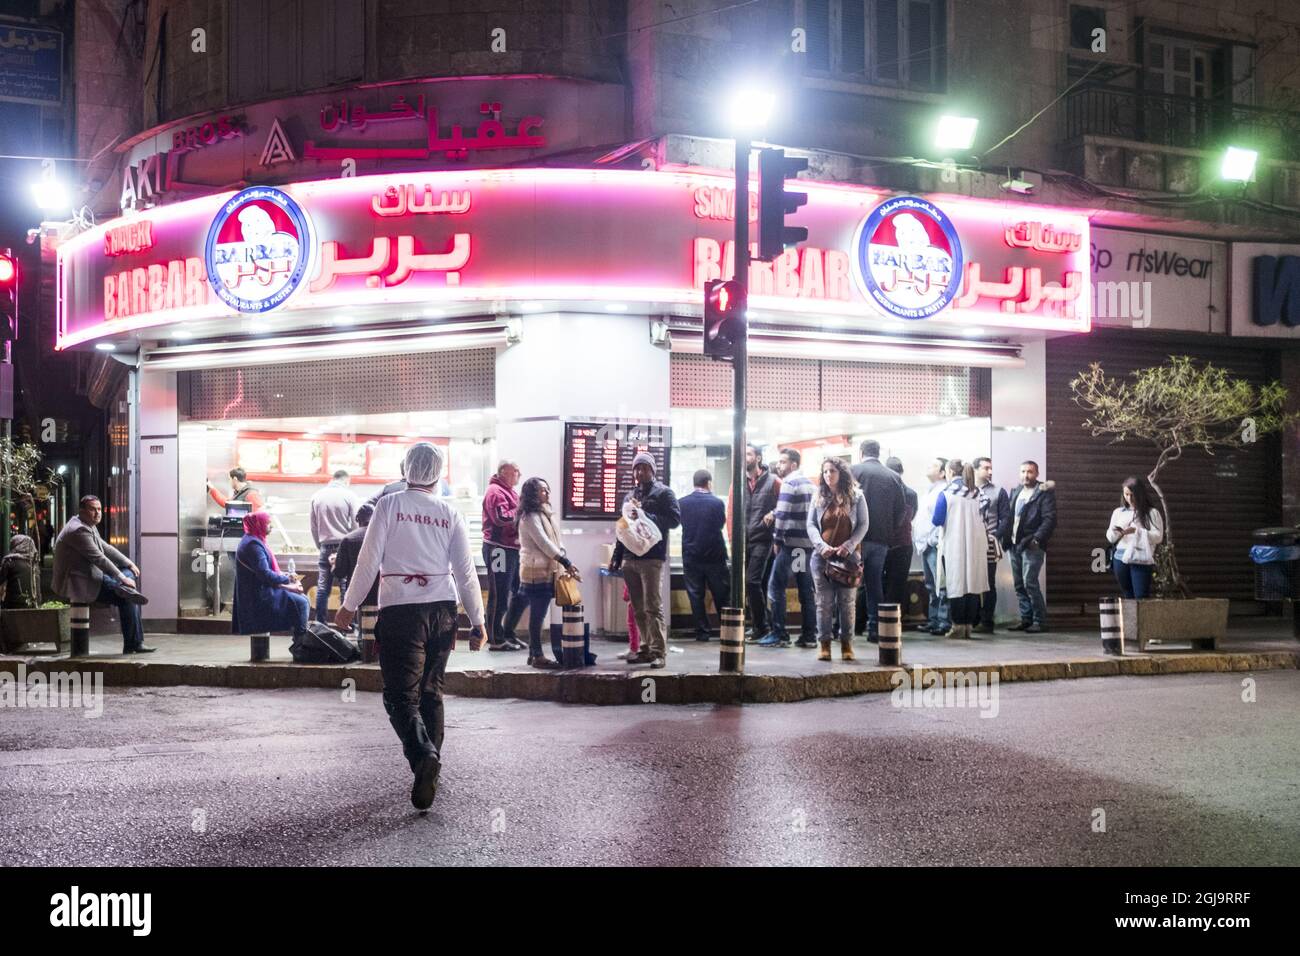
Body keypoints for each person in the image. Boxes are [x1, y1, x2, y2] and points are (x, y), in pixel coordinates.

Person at [334, 443, 487, 812]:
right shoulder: (450, 512)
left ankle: (423, 758)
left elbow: (368, 562)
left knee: (400, 697)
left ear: (406, 470)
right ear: (438, 473)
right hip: (443, 609)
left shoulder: (389, 505)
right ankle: (430, 764)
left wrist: (349, 606)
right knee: (432, 691)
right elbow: (466, 573)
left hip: (402, 610)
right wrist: (477, 622)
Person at [52, 495, 151, 654]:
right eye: (93, 509)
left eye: (99, 509)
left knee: (127, 581)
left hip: (89, 575)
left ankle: (126, 590)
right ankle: (133, 644)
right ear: (82, 511)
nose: (97, 513)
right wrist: (123, 577)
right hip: (79, 581)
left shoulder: (87, 524)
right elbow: (99, 558)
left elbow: (104, 547)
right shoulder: (78, 530)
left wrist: (128, 563)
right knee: (127, 597)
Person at [610, 452, 681, 669]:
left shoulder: (664, 493)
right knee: (637, 607)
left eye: (644, 467)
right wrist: (617, 556)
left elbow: (674, 520)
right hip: (630, 557)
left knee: (653, 606)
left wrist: (645, 514)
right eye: (636, 468)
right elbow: (623, 529)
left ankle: (659, 651)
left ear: (652, 470)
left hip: (652, 557)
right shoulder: (629, 496)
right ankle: (646, 648)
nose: (639, 472)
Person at [501, 477, 578, 669]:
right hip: (536, 572)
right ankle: (536, 655)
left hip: (545, 570)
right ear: (533, 493)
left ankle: (526, 648)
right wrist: (564, 560)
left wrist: (562, 556)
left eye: (547, 489)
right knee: (538, 616)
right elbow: (543, 542)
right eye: (543, 490)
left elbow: (556, 540)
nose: (547, 493)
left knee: (531, 607)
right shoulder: (530, 516)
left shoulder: (545, 513)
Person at [807, 457, 869, 662]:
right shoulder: (818, 495)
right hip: (822, 558)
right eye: (825, 472)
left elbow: (863, 525)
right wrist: (821, 546)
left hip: (848, 559)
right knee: (823, 603)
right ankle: (824, 644)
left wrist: (849, 546)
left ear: (841, 473)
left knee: (847, 603)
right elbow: (811, 525)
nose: (828, 475)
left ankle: (847, 645)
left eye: (832, 471)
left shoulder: (857, 496)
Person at [850, 439, 906, 642]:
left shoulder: (853, 471)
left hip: (855, 539)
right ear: (878, 452)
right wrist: (890, 529)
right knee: (875, 584)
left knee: (848, 582)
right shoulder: (892, 477)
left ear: (861, 452)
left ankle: (844, 626)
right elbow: (902, 510)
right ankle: (875, 628)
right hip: (881, 539)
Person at [761, 448, 817, 648]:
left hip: (790, 546)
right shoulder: (810, 485)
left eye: (783, 462)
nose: (779, 465)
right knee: (805, 590)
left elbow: (783, 515)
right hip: (804, 548)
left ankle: (779, 633)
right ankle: (809, 635)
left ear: (793, 464)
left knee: (775, 587)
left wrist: (777, 541)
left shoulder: (789, 483)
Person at [931, 462, 990, 640]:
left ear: (949, 471)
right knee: (973, 585)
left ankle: (957, 625)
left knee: (956, 584)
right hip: (976, 545)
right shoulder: (979, 493)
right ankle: (968, 626)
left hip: (954, 545)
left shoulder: (947, 494)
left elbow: (937, 519)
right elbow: (986, 518)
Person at [232, 510, 311, 641]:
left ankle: (300, 639)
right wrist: (288, 579)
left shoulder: (253, 539)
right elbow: (265, 574)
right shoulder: (253, 545)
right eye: (268, 523)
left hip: (259, 590)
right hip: (259, 597)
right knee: (302, 603)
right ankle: (301, 644)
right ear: (259, 525)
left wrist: (285, 578)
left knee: (302, 600)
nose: (271, 526)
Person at [1003, 460, 1057, 633]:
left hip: (1032, 544)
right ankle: (1026, 619)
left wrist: (1037, 539)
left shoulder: (1043, 493)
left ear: (1037, 474)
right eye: (1023, 471)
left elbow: (1050, 519)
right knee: (1019, 584)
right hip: (1014, 543)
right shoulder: (1016, 491)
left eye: (1030, 472)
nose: (1026, 475)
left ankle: (1040, 621)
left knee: (1029, 582)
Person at [679, 468, 730, 641]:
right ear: (709, 483)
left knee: (695, 595)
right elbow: (721, 524)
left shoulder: (682, 503)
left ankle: (702, 632)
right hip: (714, 556)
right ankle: (728, 630)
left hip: (691, 556)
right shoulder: (717, 503)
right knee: (721, 594)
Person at [481, 460, 525, 652]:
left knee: (518, 591)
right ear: (503, 472)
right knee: (499, 594)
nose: (519, 473)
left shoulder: (509, 491)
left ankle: (507, 632)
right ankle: (495, 639)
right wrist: (522, 511)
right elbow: (501, 518)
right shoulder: (495, 491)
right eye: (515, 470)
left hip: (511, 549)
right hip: (498, 549)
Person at [741, 443, 780, 640]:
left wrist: (773, 513)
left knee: (752, 581)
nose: (744, 456)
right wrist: (733, 540)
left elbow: (785, 504)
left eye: (748, 454)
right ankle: (760, 624)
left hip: (763, 539)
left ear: (758, 458)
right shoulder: (738, 481)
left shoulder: (773, 481)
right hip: (743, 541)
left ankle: (762, 627)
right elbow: (731, 512)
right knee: (757, 584)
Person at [308, 469, 359, 623]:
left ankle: (320, 624)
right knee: (345, 585)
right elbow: (356, 524)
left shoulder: (317, 496)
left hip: (325, 545)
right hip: (344, 545)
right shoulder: (350, 495)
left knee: (323, 587)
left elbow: (313, 526)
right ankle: (345, 625)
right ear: (346, 480)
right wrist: (352, 546)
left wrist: (320, 545)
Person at [1107, 476, 1164, 599]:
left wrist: (1137, 531)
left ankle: (1142, 619)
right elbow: (1111, 538)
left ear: (1140, 494)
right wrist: (1119, 532)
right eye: (1126, 494)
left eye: (1133, 495)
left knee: (1141, 596)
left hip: (1140, 556)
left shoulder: (1151, 513)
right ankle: (1130, 619)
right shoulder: (1118, 512)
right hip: (1120, 558)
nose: (1129, 498)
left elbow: (1158, 537)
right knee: (1128, 595)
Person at [972, 457, 1010, 633]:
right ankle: (972, 618)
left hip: (989, 542)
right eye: (985, 468)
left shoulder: (998, 492)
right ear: (976, 469)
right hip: (971, 543)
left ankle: (987, 620)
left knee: (988, 582)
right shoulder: (968, 491)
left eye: (991, 468)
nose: (989, 471)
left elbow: (1006, 518)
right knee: (971, 581)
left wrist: (996, 536)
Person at [914, 457, 951, 635]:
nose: (929, 466)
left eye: (934, 465)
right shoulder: (929, 490)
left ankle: (944, 621)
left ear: (943, 472)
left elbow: (941, 520)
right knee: (930, 585)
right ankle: (934, 619)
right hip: (925, 544)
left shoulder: (943, 490)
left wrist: (932, 539)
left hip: (935, 544)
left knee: (941, 584)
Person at [882, 457, 918, 613]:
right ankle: (893, 622)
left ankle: (876, 621)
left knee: (879, 583)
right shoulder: (911, 493)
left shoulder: (882, 492)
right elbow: (912, 516)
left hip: (883, 543)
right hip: (904, 544)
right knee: (897, 585)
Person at [332, 502, 378, 611]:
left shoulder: (348, 539)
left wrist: (333, 563)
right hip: (382, 595)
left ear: (357, 519)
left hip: (357, 597)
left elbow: (340, 572)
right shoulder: (385, 537)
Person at [1, 534, 42, 610]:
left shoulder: (10, 561)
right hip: (35, 605)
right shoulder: (34, 564)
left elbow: (1, 584)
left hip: (13, 605)